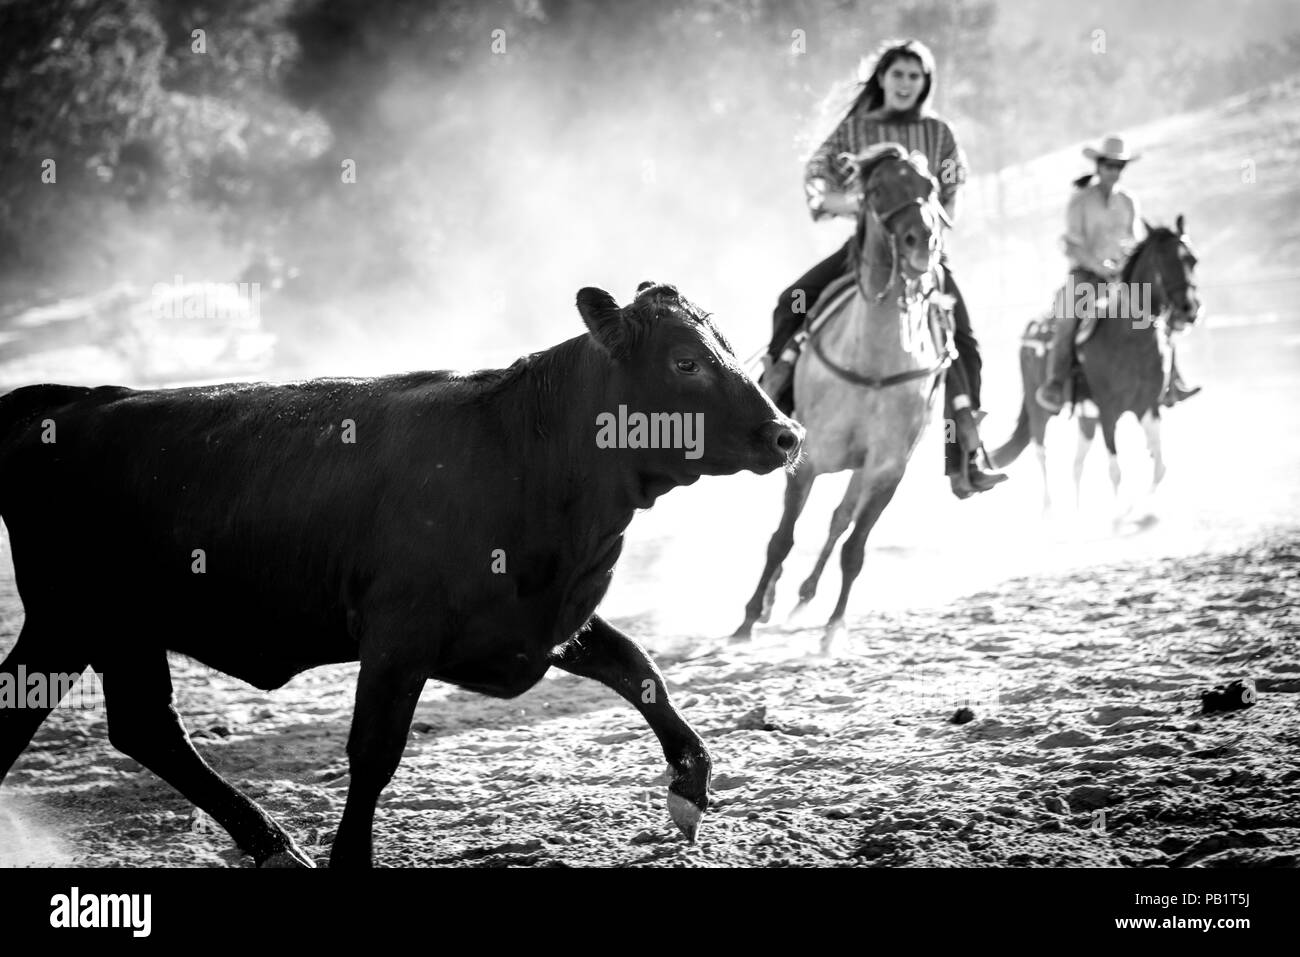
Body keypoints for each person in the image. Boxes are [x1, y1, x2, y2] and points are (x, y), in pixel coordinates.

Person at [761, 38, 1005, 498]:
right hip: (864, 252)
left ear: (925, 83)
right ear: (882, 79)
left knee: (965, 346)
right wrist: (848, 202)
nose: (906, 84)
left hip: (924, 255)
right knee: (789, 305)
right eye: (898, 74)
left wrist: (931, 225)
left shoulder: (939, 134)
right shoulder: (854, 131)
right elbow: (817, 174)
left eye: (915, 76)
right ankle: (771, 415)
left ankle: (965, 458)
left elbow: (952, 189)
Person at [1035, 134, 1200, 412]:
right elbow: (1071, 244)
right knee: (1067, 317)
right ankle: (1056, 382)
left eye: (1119, 167)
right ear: (1098, 166)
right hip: (1085, 276)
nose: (1114, 171)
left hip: (1121, 277)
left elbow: (1133, 241)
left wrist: (1125, 266)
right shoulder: (1080, 201)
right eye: (1109, 165)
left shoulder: (1128, 201)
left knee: (1155, 314)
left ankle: (1171, 379)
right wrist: (1099, 266)